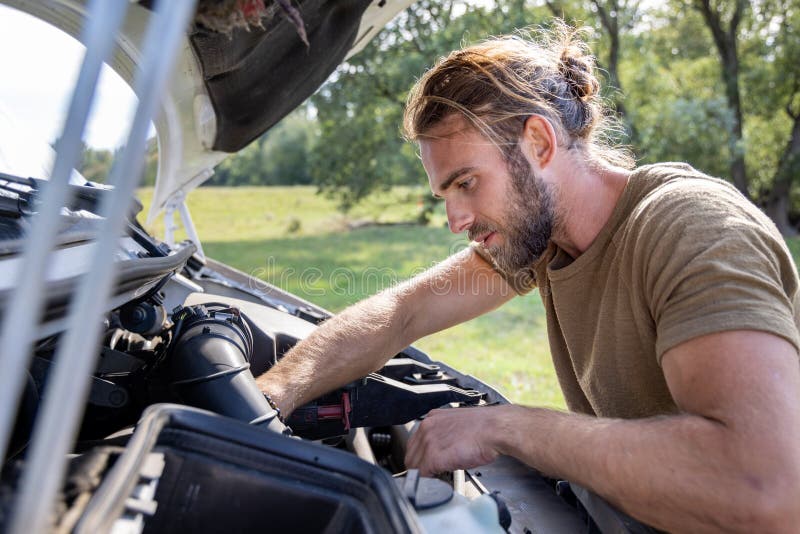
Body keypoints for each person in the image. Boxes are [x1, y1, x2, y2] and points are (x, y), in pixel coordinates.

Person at [256, 23, 800, 531]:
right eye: (445, 194)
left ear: (539, 143)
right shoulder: (542, 242)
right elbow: (405, 313)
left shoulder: (689, 228)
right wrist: (270, 397)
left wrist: (503, 425)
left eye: (467, 182)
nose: (455, 220)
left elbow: (764, 488)